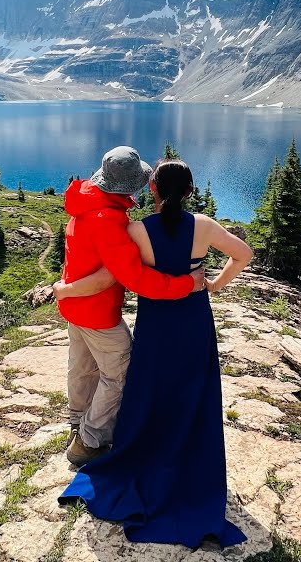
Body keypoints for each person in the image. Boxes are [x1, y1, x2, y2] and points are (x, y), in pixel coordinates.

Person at [55, 157, 254, 548]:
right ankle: (190, 455)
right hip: (194, 318)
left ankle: (125, 441)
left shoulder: (135, 230)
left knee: (151, 384)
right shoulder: (205, 226)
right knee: (192, 387)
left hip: (157, 321)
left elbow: (130, 277)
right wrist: (213, 284)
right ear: (190, 191)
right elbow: (243, 254)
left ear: (153, 191)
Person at [57, 146, 205, 468]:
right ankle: (89, 440)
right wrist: (186, 284)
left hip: (74, 308)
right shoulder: (109, 221)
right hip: (98, 314)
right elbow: (136, 278)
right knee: (120, 372)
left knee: (81, 367)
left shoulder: (84, 202)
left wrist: (65, 290)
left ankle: (77, 424)